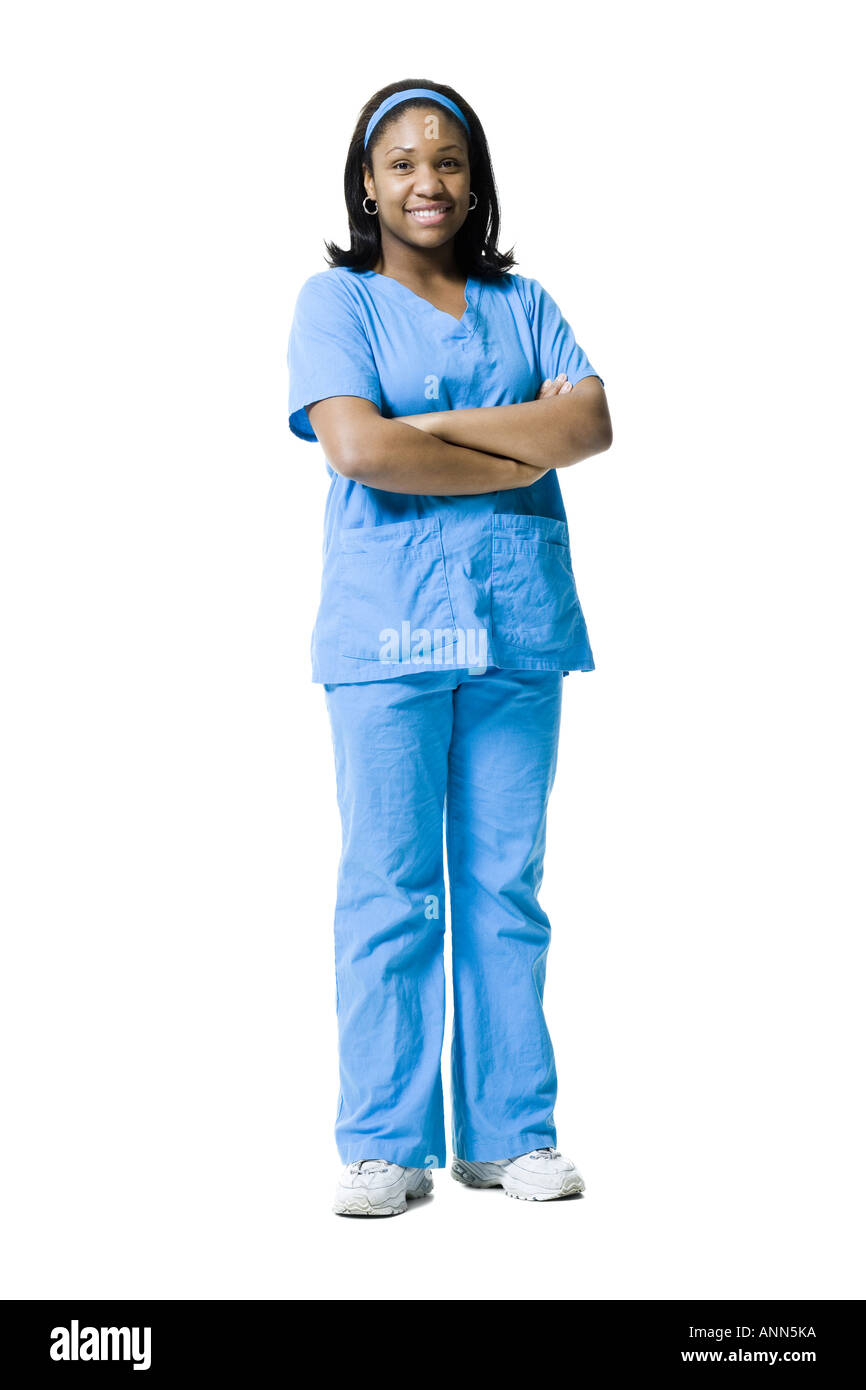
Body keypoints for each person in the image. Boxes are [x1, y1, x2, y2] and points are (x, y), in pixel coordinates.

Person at [286, 80, 613, 1216]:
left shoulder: (523, 303)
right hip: (386, 635)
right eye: (402, 162)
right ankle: (383, 1141)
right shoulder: (335, 304)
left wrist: (431, 426)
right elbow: (359, 450)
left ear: (474, 183)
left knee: (502, 888)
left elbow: (588, 423)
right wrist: (510, 451)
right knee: (389, 886)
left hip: (516, 630)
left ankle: (508, 1133)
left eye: (450, 161)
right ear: (365, 183)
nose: (428, 181)